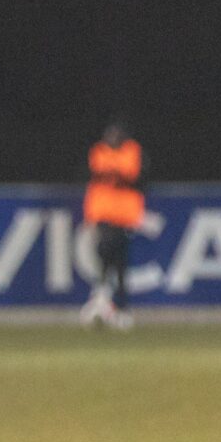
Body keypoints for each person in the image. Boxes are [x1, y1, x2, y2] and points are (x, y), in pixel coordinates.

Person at [80, 120, 145, 331]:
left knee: (119, 260)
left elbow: (132, 175)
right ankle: (103, 300)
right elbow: (101, 171)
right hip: (104, 213)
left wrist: (114, 173)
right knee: (105, 253)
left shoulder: (132, 151)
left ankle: (117, 305)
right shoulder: (99, 152)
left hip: (124, 215)